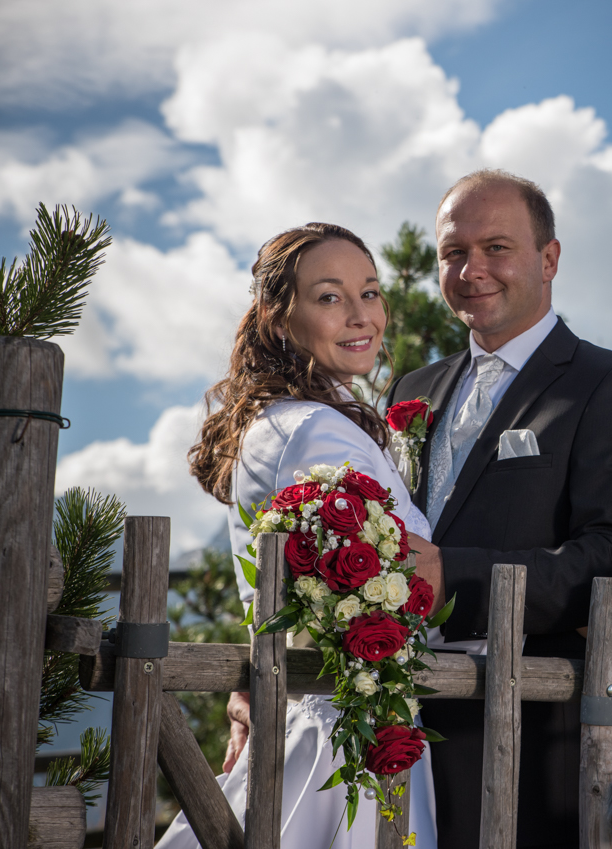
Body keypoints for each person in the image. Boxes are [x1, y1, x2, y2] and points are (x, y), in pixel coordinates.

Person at [386, 170, 612, 849]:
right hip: (397, 725)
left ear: (549, 259)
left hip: (528, 729)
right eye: (454, 252)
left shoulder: (610, 383)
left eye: (496, 247)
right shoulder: (413, 387)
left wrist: (457, 577)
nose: (471, 269)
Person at [159, 223, 441, 849]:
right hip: (346, 733)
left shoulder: (290, 418)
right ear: (279, 322)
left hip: (313, 704)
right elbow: (402, 576)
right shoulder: (314, 428)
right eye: (329, 297)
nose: (360, 314)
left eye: (369, 293)